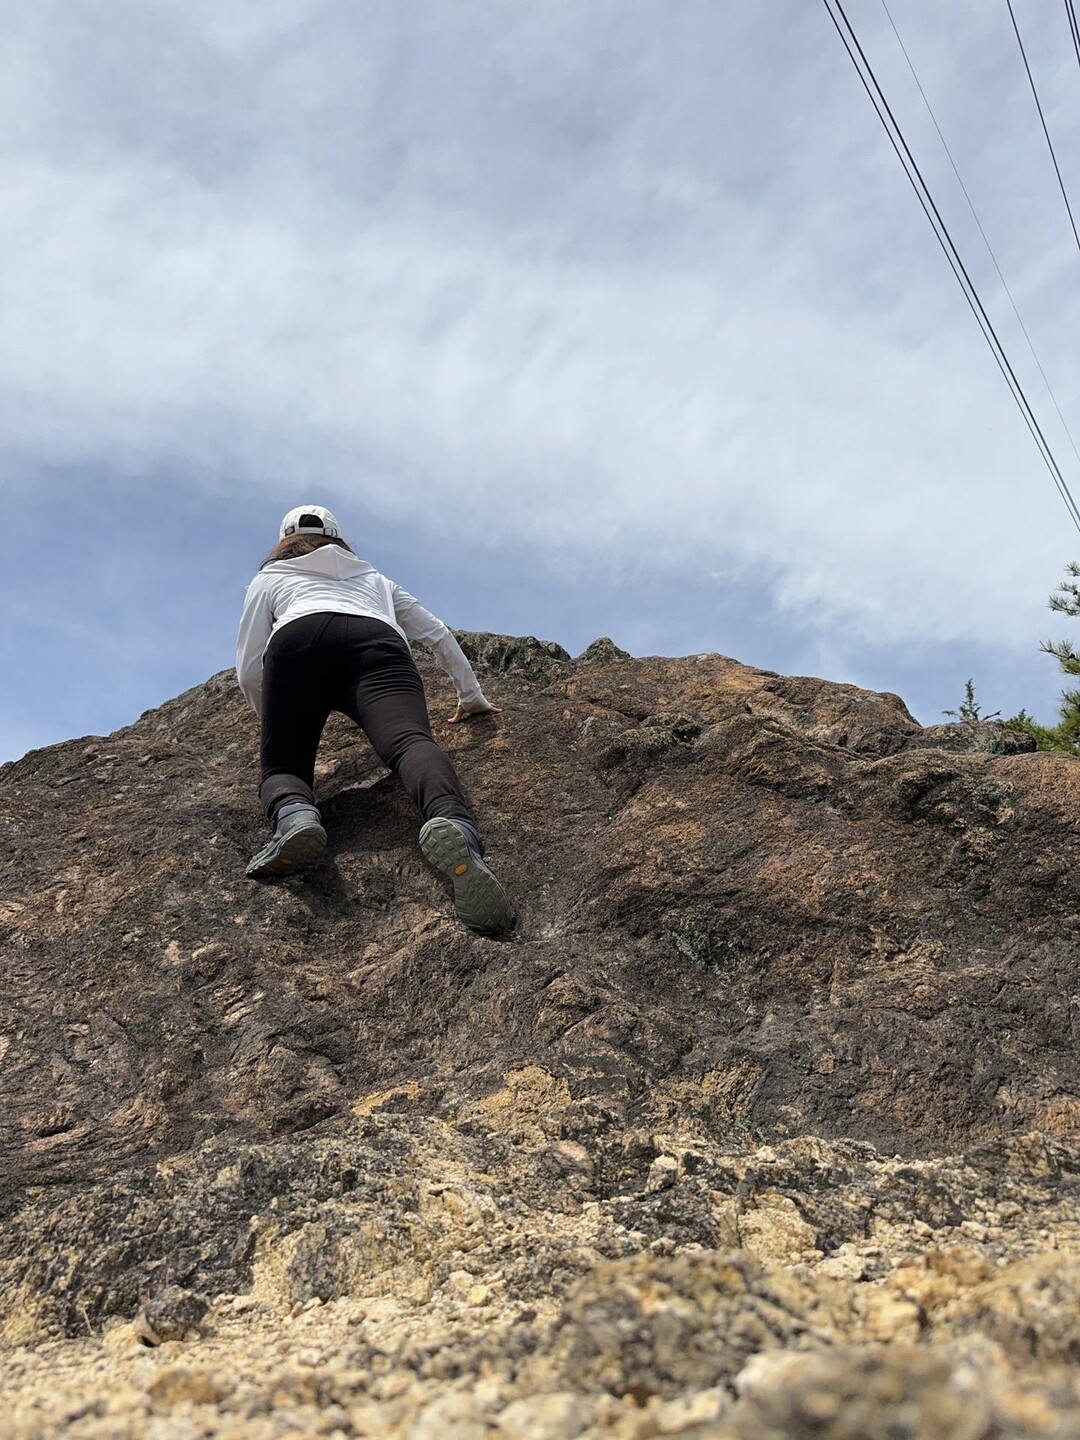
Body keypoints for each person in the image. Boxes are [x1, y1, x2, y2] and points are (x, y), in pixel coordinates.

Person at [235, 505, 514, 935]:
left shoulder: (271, 577)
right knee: (410, 745)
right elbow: (435, 632)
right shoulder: (373, 577)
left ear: (284, 540)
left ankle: (296, 816)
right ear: (338, 537)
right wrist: (471, 697)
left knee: (285, 767)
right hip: (377, 644)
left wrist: (273, 720)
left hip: (299, 642)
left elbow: (250, 668)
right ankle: (456, 828)